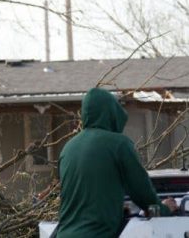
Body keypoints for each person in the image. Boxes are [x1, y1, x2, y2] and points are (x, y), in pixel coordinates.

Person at [54, 87, 177, 237]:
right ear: (112, 114)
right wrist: (163, 209)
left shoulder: (68, 148)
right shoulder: (119, 145)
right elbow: (141, 193)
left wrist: (115, 208)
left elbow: (80, 195)